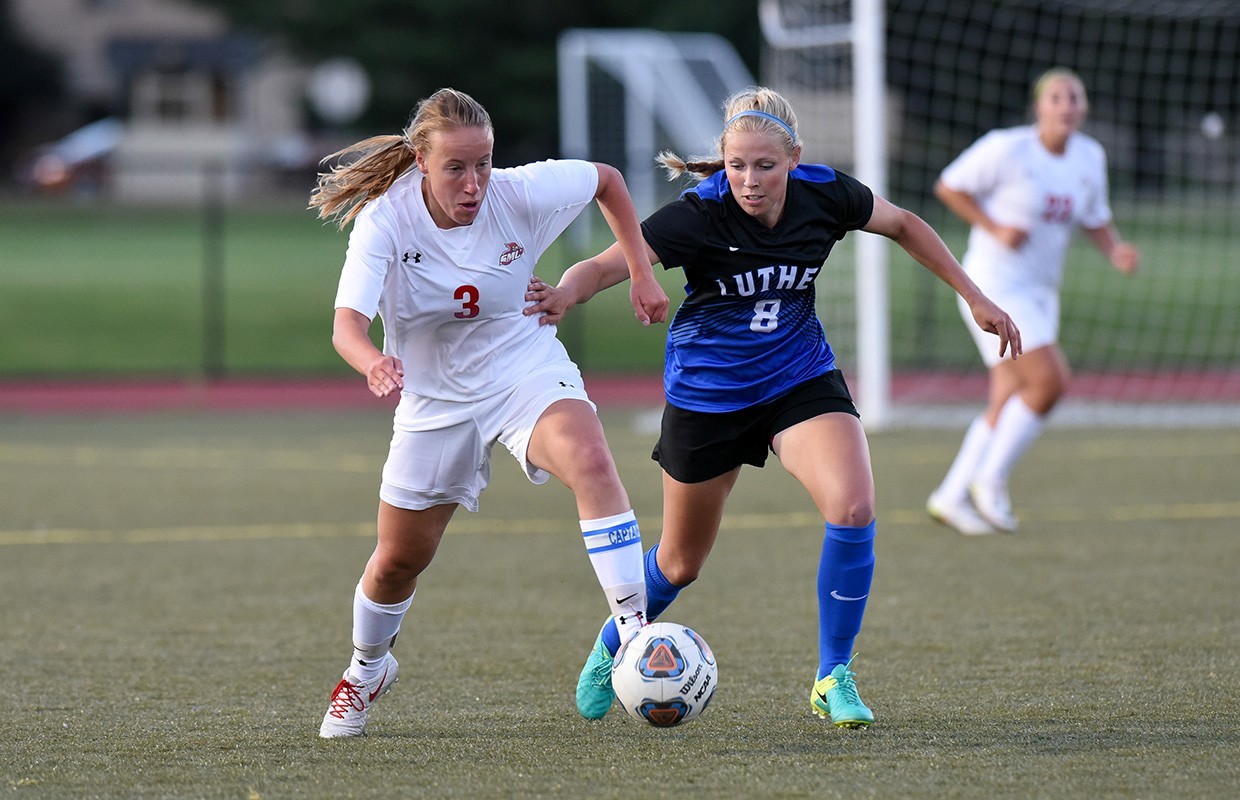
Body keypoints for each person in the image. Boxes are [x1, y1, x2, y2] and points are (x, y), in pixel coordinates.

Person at [523, 86, 1020, 727]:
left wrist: (974, 295)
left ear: (794, 160)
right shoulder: (698, 215)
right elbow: (604, 265)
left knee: (854, 504)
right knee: (680, 562)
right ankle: (612, 644)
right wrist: (565, 292)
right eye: (736, 166)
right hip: (709, 396)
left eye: (765, 166)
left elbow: (903, 224)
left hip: (797, 377)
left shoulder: (826, 193)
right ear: (721, 163)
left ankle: (832, 676)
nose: (749, 181)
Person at [308, 87, 670, 738]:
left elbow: (608, 182)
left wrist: (641, 272)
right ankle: (367, 668)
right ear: (421, 160)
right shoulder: (385, 220)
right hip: (434, 399)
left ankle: (634, 635)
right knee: (397, 561)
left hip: (520, 369)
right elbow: (345, 325)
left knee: (590, 458)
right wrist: (371, 362)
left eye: (484, 163)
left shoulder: (519, 191)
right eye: (456, 167)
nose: (475, 182)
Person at [926, 67, 1140, 536]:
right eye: (1057, 98)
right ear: (1039, 106)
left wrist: (1115, 250)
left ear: (1084, 108)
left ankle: (949, 496)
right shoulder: (1007, 147)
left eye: (1074, 98)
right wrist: (995, 227)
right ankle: (991, 479)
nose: (1066, 106)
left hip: (1042, 290)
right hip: (993, 286)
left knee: (1007, 397)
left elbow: (1095, 217)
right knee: (1050, 382)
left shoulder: (1088, 156)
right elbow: (949, 185)